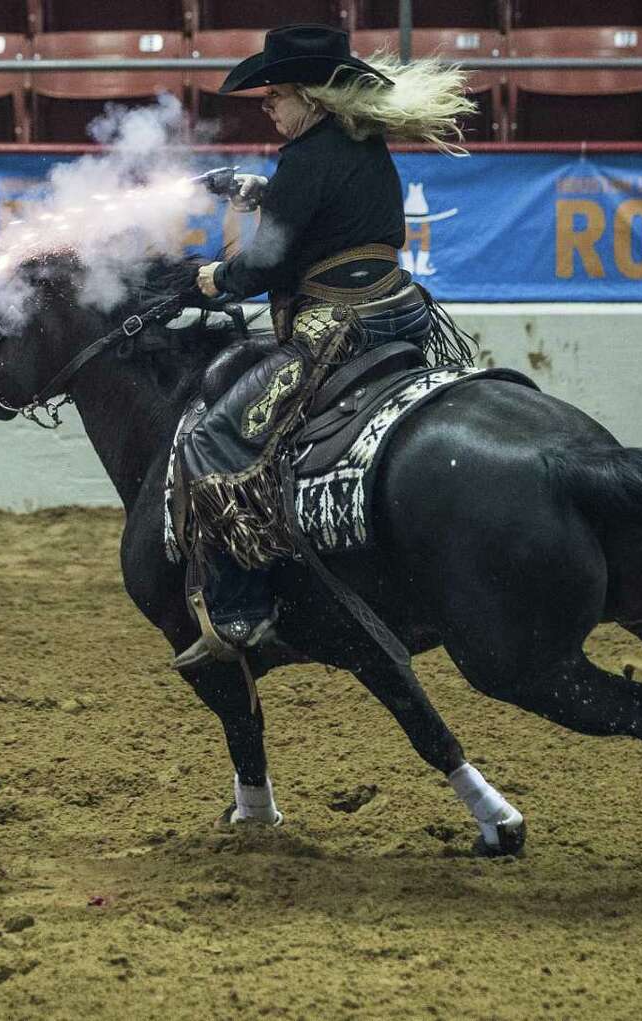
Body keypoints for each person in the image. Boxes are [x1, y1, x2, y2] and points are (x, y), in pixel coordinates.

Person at [175, 24, 477, 670]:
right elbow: (335, 215)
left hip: (338, 332)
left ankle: (241, 611)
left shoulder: (304, 161)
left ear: (310, 99)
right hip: (404, 319)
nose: (267, 107)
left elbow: (266, 268)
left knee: (211, 439)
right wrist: (267, 194)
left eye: (274, 95)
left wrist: (215, 278)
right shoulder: (363, 146)